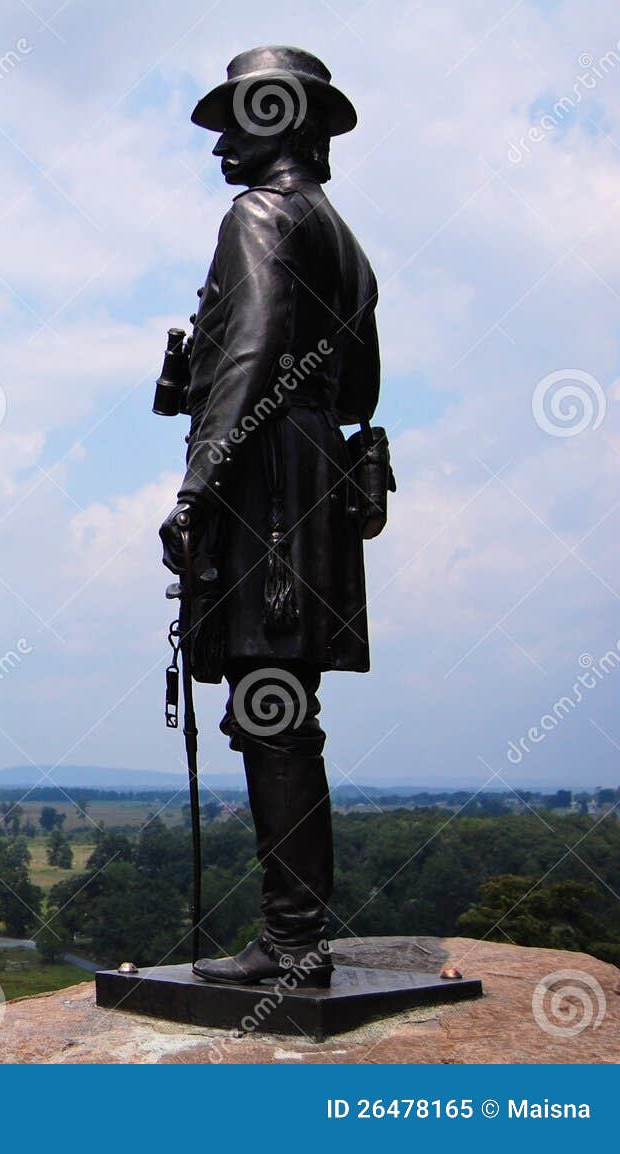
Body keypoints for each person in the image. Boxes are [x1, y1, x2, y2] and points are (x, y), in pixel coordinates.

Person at [158, 46, 380, 987]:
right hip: (313, 466)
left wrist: (198, 484)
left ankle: (293, 945)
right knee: (286, 711)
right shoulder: (339, 235)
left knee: (268, 712)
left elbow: (249, 352)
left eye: (236, 124)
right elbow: (360, 382)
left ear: (285, 119)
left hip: (266, 491)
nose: (218, 150)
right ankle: (296, 936)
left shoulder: (256, 214)